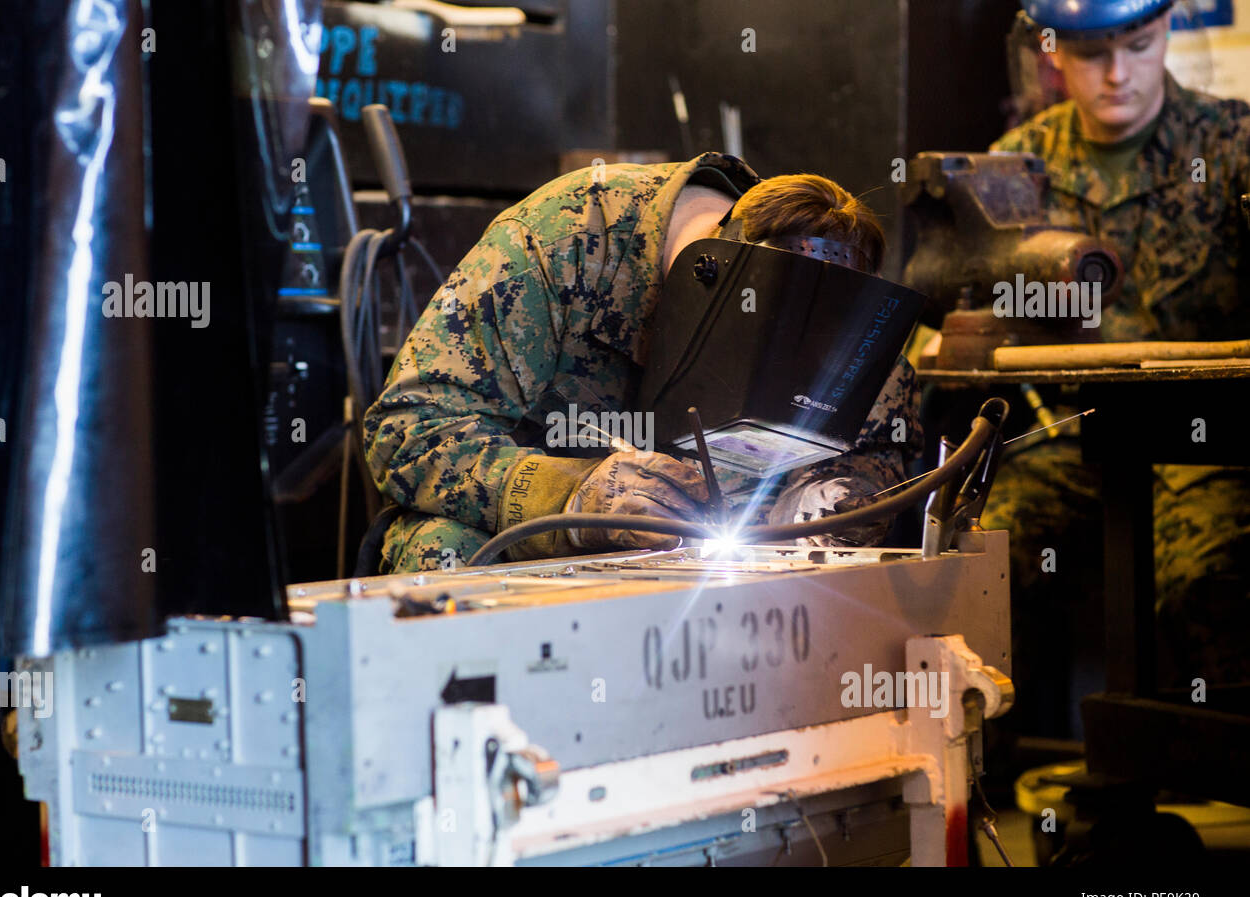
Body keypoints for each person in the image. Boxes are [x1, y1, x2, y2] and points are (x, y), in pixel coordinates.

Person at [363, 152, 922, 572]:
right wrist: (569, 497)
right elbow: (407, 430)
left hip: (711, 559)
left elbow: (878, 447)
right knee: (444, 546)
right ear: (705, 280)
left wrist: (826, 494)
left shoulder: (838, 308)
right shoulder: (557, 244)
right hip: (540, 546)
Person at [984, 0, 1250, 733]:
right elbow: (963, 311)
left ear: (1166, 29)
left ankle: (1209, 769)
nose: (1117, 75)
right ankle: (974, 789)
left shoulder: (1233, 146)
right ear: (1052, 51)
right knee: (985, 565)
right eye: (1091, 53)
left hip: (1202, 447)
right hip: (1069, 439)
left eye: (1137, 45)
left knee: (1213, 576)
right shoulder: (1016, 168)